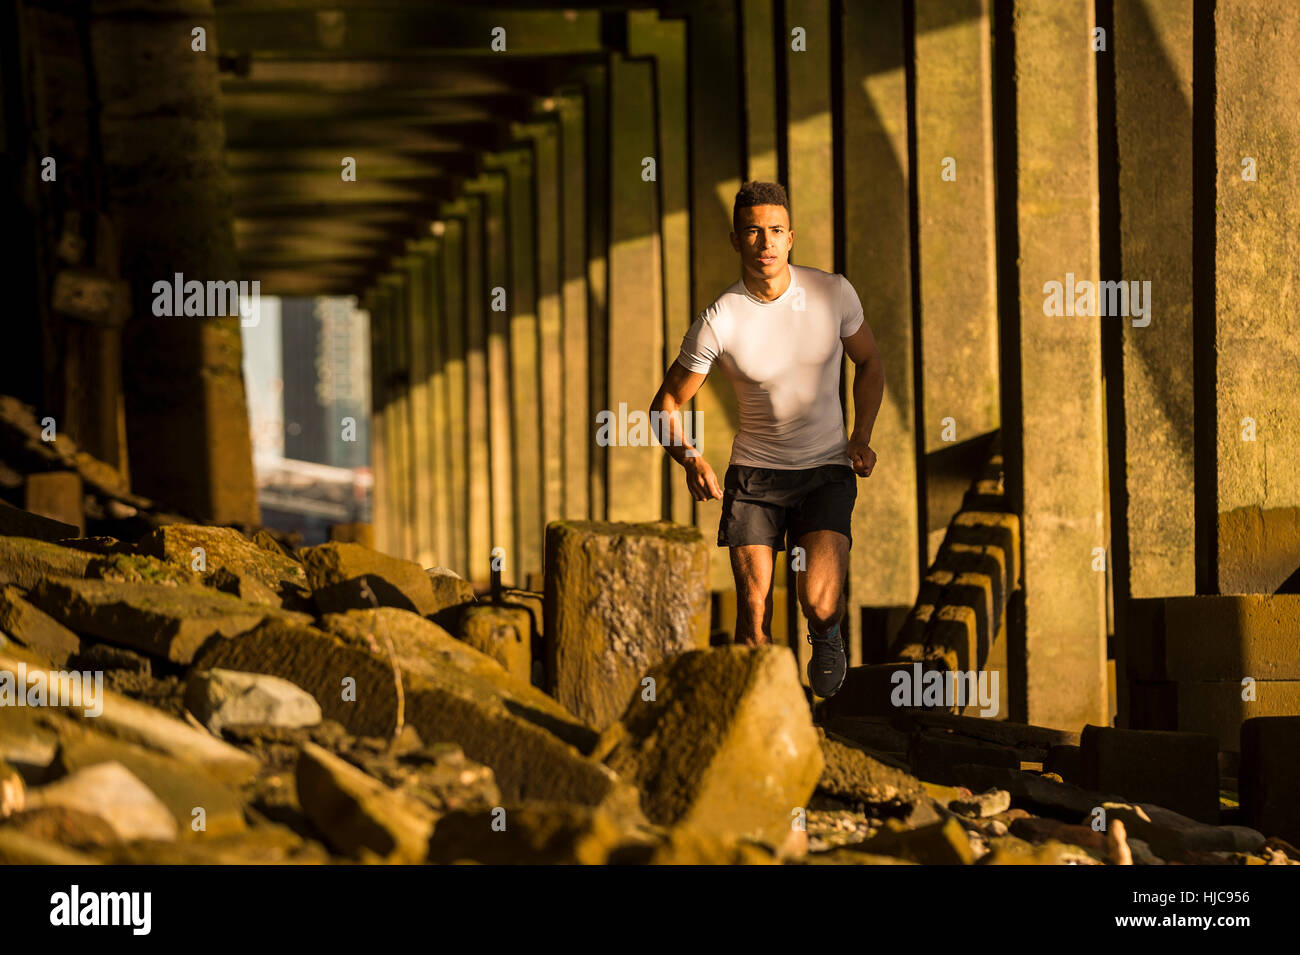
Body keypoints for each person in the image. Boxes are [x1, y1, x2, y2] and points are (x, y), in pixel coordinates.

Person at [649, 181, 884, 698]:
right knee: (753, 614)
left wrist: (860, 435)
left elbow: (868, 361)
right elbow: (664, 404)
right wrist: (690, 459)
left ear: (791, 237)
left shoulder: (832, 293)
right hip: (754, 476)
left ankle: (826, 634)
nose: (765, 242)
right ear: (736, 240)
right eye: (753, 231)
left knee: (819, 601)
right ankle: (763, 725)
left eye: (775, 230)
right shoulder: (720, 319)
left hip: (825, 470)